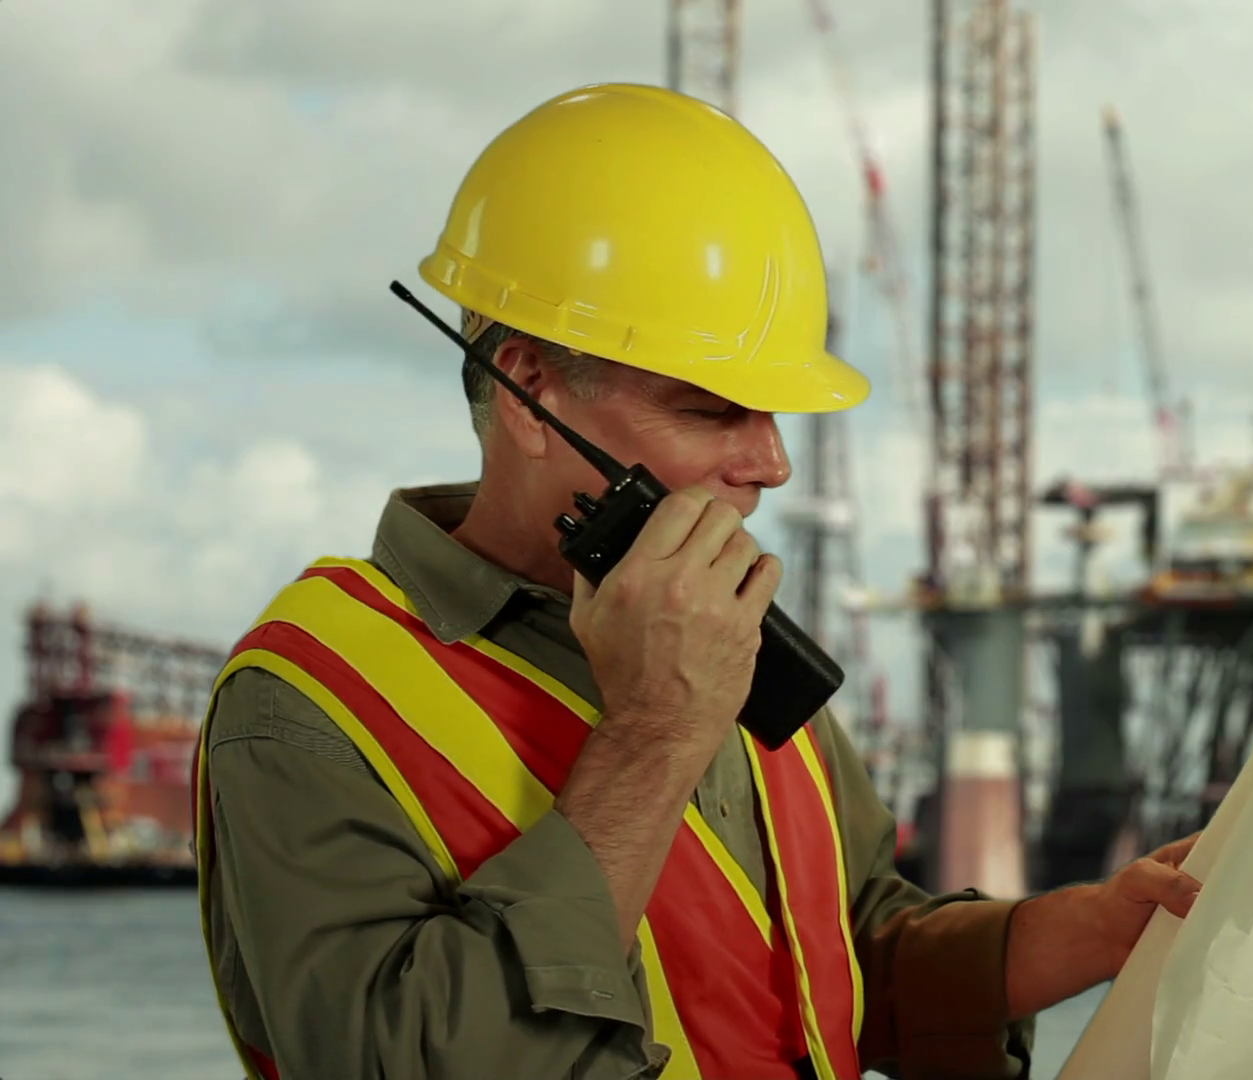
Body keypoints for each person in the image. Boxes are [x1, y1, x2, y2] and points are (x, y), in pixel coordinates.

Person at [193, 83, 1202, 1080]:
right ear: (532, 394)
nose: (771, 464)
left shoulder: (728, 636)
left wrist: (1085, 930)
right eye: (715, 411)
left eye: (773, 414)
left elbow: (835, 963)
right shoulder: (307, 705)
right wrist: (654, 737)